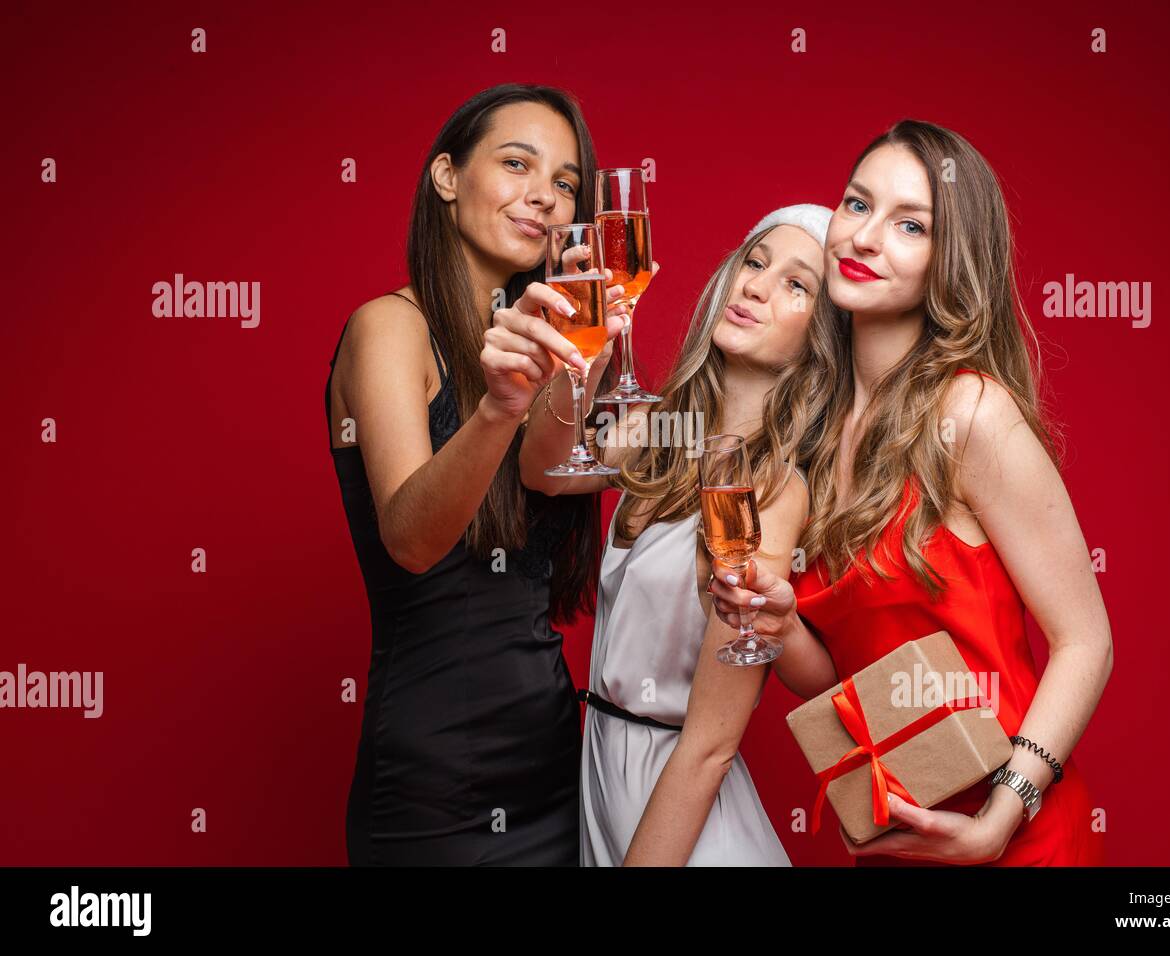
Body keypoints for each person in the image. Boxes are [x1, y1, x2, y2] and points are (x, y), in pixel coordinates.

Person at [710, 120, 1113, 866]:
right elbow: (839, 681)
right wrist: (779, 620)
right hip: (895, 829)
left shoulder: (969, 414)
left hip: (1012, 835)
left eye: (909, 225)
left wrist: (1001, 819)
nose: (863, 238)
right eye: (857, 206)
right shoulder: (812, 430)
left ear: (949, 261)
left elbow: (1086, 641)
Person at [325, 83, 623, 865]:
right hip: (435, 780)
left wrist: (585, 355)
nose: (546, 198)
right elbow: (412, 539)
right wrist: (498, 408)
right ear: (447, 177)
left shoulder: (552, 337)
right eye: (517, 164)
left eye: (565, 184)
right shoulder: (389, 327)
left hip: (556, 759)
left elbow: (578, 473)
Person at [516, 204, 837, 865]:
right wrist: (581, 364)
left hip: (681, 812)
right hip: (607, 773)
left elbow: (711, 746)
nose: (755, 286)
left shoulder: (775, 488)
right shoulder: (663, 430)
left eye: (797, 284)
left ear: (824, 338)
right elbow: (543, 469)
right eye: (754, 262)